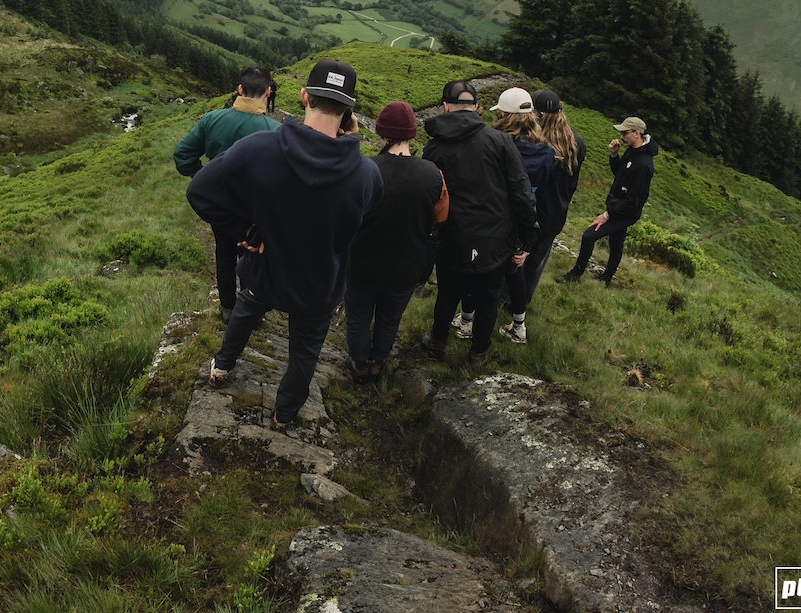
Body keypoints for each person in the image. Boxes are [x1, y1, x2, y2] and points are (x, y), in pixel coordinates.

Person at [188, 59, 383, 431]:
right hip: (318, 286)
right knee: (304, 355)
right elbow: (360, 221)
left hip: (265, 272)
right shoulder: (366, 174)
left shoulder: (259, 147)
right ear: (349, 112)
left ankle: (222, 367)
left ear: (304, 96)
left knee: (244, 315)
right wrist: (350, 144)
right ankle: (284, 416)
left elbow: (200, 191)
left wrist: (243, 231)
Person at [422, 80, 538, 366]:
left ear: (445, 106)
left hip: (451, 237)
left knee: (448, 293)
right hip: (494, 239)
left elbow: (428, 195)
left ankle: (437, 343)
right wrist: (525, 239)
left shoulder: (434, 147)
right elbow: (522, 194)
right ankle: (478, 354)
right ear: (476, 108)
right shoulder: (499, 142)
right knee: (487, 299)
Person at [345, 101, 448, 380]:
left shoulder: (363, 168)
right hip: (407, 262)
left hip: (361, 260)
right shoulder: (433, 174)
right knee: (390, 316)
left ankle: (359, 362)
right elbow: (440, 216)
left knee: (357, 315)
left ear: (381, 134)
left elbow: (347, 214)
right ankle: (378, 360)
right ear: (411, 134)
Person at [174, 66, 282, 321]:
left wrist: (203, 179)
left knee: (224, 252)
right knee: (253, 256)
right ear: (268, 92)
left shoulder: (212, 119)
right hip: (254, 210)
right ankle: (250, 310)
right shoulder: (275, 131)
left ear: (240, 90)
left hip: (220, 205)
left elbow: (182, 156)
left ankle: (227, 307)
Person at [500, 88, 588, 342]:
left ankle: (504, 300)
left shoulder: (537, 144)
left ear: (537, 113)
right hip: (556, 213)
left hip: (533, 211)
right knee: (536, 262)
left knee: (516, 259)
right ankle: (523, 302)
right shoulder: (575, 141)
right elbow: (573, 184)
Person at [482, 88, 555, 346]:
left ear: (504, 114)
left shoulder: (497, 143)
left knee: (483, 273)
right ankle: (519, 325)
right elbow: (540, 191)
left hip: (494, 219)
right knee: (515, 272)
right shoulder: (546, 152)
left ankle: (469, 322)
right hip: (522, 221)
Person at [558, 116, 658, 288]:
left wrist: (607, 215)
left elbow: (633, 200)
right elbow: (619, 175)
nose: (622, 136)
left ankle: (576, 274)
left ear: (636, 133)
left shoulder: (644, 165)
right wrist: (614, 155)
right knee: (616, 242)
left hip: (625, 212)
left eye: (625, 133)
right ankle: (606, 278)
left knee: (589, 235)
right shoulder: (633, 151)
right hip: (618, 206)